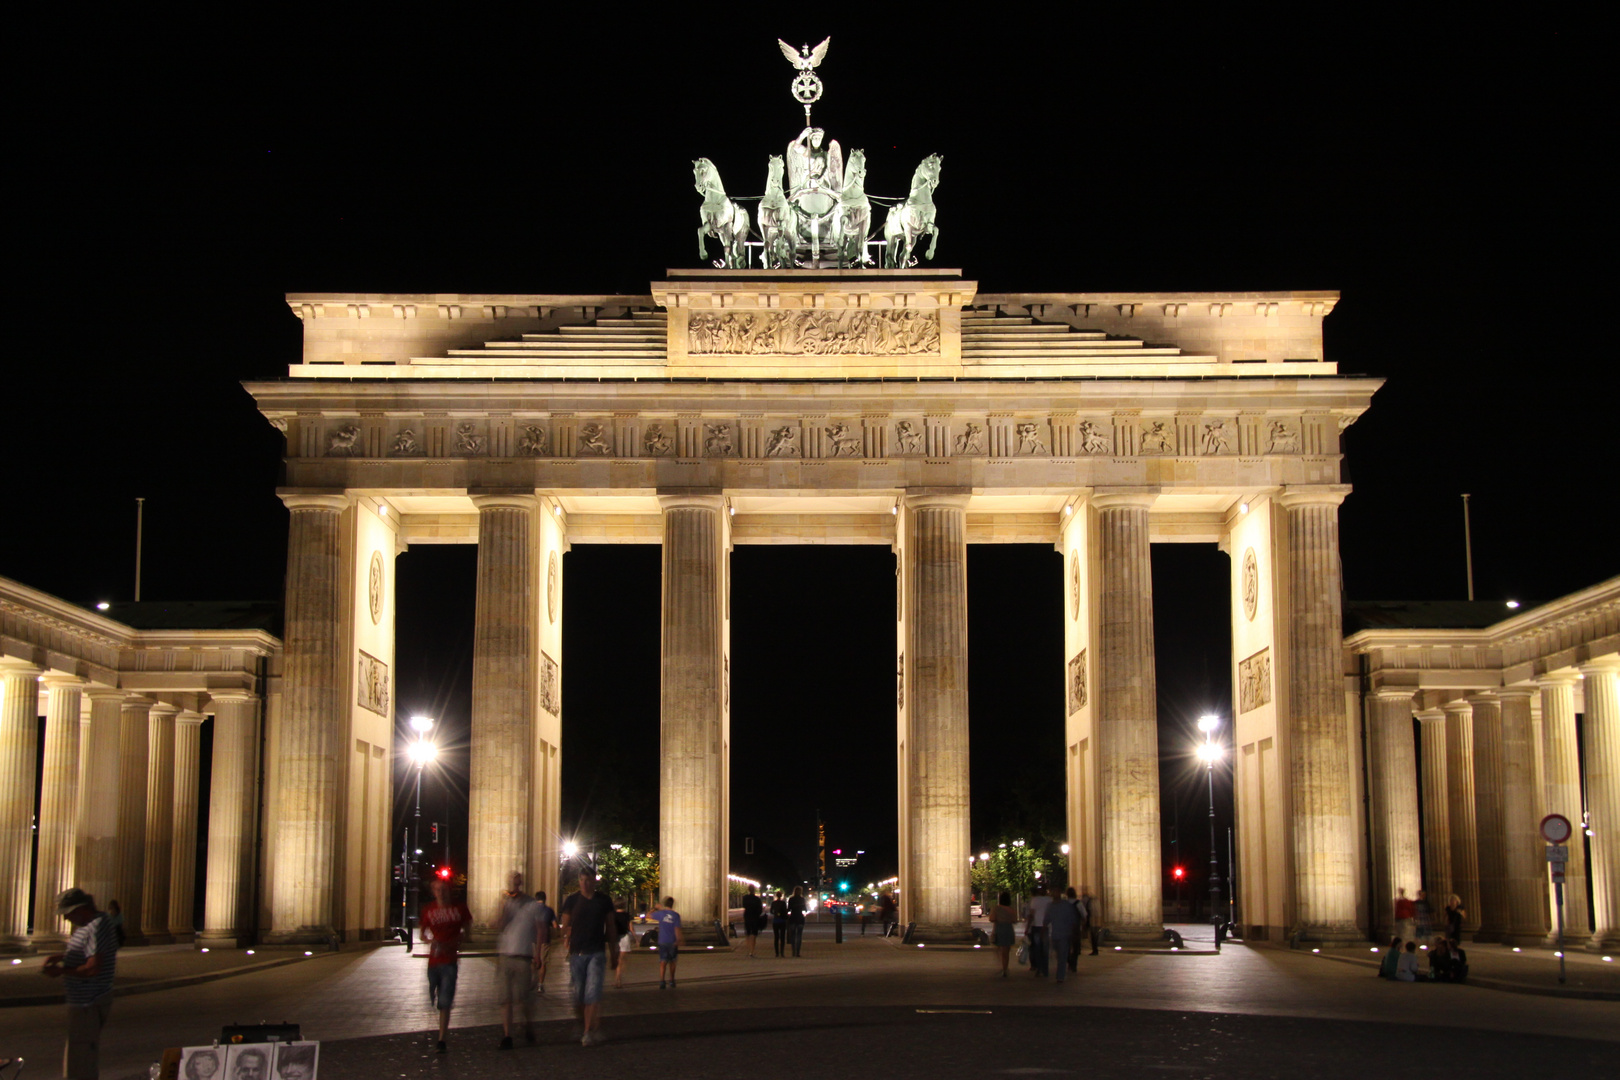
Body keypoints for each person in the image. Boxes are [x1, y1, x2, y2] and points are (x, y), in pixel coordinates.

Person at [42, 888, 119, 1080]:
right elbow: (88, 954)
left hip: (89, 1001)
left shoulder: (97, 925)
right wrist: (62, 957)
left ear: (81, 908)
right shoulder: (89, 925)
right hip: (83, 1001)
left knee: (81, 1059)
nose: (66, 918)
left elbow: (93, 967)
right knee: (77, 1056)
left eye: (68, 913)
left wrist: (60, 971)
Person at [562, 867, 618, 1047]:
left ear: (595, 881)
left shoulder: (603, 900)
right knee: (579, 995)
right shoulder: (571, 900)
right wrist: (566, 937)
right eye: (582, 880)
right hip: (577, 952)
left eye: (588, 880)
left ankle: (587, 1031)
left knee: (592, 992)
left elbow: (610, 927)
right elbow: (565, 926)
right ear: (579, 881)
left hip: (596, 952)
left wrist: (614, 951)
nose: (585, 884)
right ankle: (586, 1024)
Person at [419, 876, 472, 1053]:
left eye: (443, 889)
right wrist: (429, 940)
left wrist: (459, 941)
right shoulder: (429, 910)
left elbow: (467, 928)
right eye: (437, 889)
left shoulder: (459, 908)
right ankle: (436, 997)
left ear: (448, 890)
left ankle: (442, 1039)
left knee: (445, 1001)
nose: (440, 892)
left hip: (449, 961)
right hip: (433, 961)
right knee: (433, 991)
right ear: (433, 892)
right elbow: (422, 933)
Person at [495, 871, 542, 1049]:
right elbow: (498, 925)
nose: (514, 887)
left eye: (517, 883)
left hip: (523, 956)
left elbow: (539, 929)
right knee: (505, 998)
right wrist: (502, 908)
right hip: (506, 955)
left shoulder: (531, 904)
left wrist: (537, 953)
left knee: (523, 998)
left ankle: (528, 1024)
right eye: (511, 883)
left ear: (521, 884)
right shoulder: (504, 903)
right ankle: (507, 1035)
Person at [648, 895, 684, 988]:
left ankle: (662, 981)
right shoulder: (676, 915)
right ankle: (671, 980)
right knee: (672, 961)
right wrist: (679, 939)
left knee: (663, 962)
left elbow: (648, 915)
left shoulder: (661, 914)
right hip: (672, 941)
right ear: (673, 905)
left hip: (663, 940)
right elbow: (677, 929)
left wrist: (655, 908)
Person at [1045, 885, 1080, 983]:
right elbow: (1047, 919)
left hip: (1064, 934)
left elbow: (1073, 920)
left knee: (1062, 955)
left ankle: (1060, 976)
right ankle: (1061, 972)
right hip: (1055, 934)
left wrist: (1073, 931)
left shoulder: (1066, 905)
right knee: (1059, 955)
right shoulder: (1051, 906)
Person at [1025, 886, 1052, 977]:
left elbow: (1031, 915)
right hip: (1046, 927)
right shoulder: (1050, 900)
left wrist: (1027, 928)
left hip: (1036, 926)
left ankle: (1039, 968)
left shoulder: (1034, 900)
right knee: (1045, 949)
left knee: (1037, 948)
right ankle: (1045, 970)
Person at [533, 890, 557, 991]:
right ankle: (540, 984)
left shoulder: (531, 910)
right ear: (545, 899)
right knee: (543, 962)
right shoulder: (549, 910)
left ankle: (532, 981)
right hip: (545, 939)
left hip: (533, 938)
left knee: (533, 961)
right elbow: (555, 925)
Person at [990, 891, 1017, 977]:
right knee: (1006, 951)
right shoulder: (1011, 910)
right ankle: (1005, 967)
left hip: (999, 929)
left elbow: (992, 919)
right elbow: (1014, 920)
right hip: (1008, 929)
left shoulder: (996, 908)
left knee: (998, 949)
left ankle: (1001, 966)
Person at [612, 895, 633, 988]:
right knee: (622, 960)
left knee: (618, 960)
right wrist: (636, 939)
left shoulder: (612, 915)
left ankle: (617, 979)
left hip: (616, 938)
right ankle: (619, 978)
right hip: (625, 937)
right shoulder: (627, 915)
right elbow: (631, 928)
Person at [1065, 887, 1086, 971]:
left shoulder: (1064, 904)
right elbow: (1084, 915)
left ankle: (1069, 961)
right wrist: (1083, 925)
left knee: (1066, 947)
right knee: (1076, 947)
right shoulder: (1079, 903)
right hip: (1076, 928)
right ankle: (1074, 964)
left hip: (1066, 928)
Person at [742, 884, 764, 956]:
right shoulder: (757, 899)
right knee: (754, 934)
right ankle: (752, 951)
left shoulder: (745, 898)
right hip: (755, 917)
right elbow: (760, 910)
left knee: (748, 934)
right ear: (754, 890)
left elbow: (744, 906)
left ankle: (748, 949)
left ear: (748, 889)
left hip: (747, 916)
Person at [1081, 885, 1101, 955]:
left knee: (1092, 935)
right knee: (1094, 935)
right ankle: (1095, 949)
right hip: (1095, 921)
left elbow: (1089, 911)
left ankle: (1094, 950)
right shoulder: (1095, 900)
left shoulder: (1090, 901)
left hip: (1092, 920)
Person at [787, 886, 807, 957]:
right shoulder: (802, 899)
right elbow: (805, 909)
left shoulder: (791, 899)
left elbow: (789, 909)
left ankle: (793, 951)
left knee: (793, 935)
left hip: (793, 918)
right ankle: (797, 952)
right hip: (800, 918)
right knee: (799, 935)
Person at [770, 891, 789, 957]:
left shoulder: (773, 903)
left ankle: (777, 953)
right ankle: (782, 952)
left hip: (775, 921)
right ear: (781, 896)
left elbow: (771, 911)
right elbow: (786, 911)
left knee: (776, 937)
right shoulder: (783, 903)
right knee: (782, 937)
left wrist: (776, 913)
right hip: (782, 921)